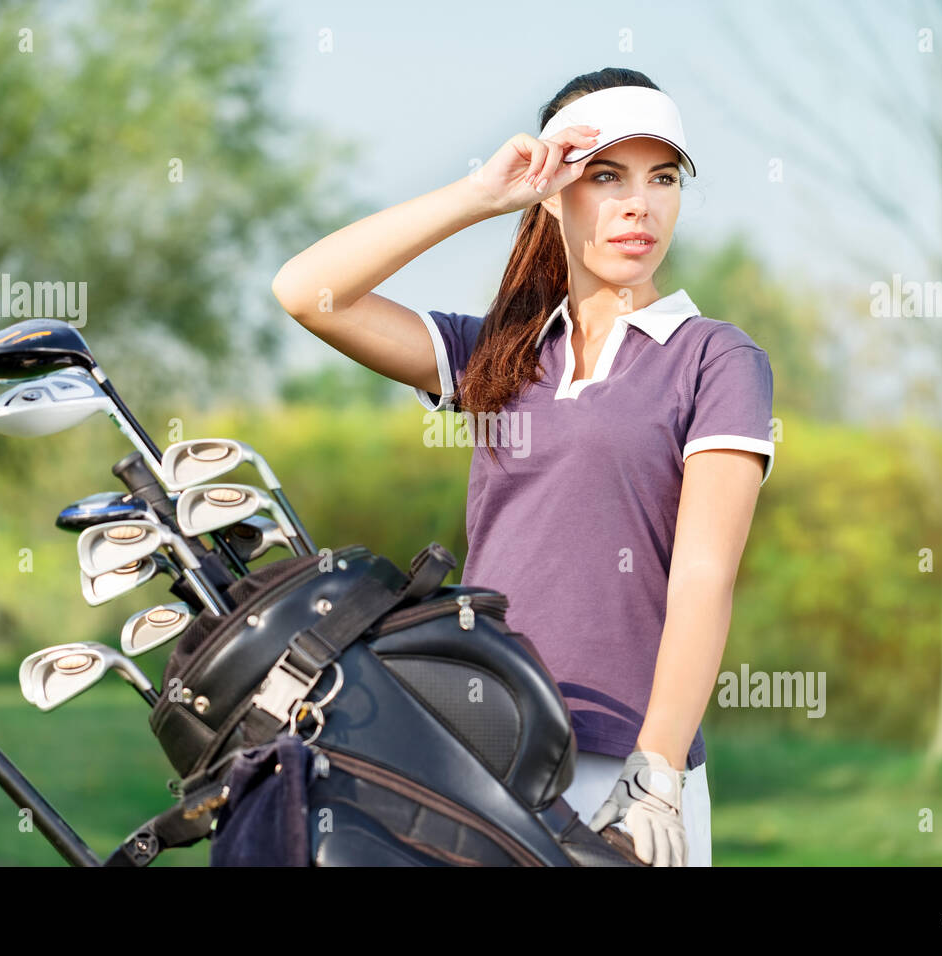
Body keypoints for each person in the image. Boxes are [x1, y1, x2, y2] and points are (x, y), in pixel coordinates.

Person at [271, 67, 775, 867]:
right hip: (475, 747)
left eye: (663, 178)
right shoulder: (499, 355)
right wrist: (479, 195)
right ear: (554, 191)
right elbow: (306, 292)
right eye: (605, 177)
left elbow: (704, 575)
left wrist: (658, 771)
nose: (639, 204)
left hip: (626, 768)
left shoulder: (716, 358)